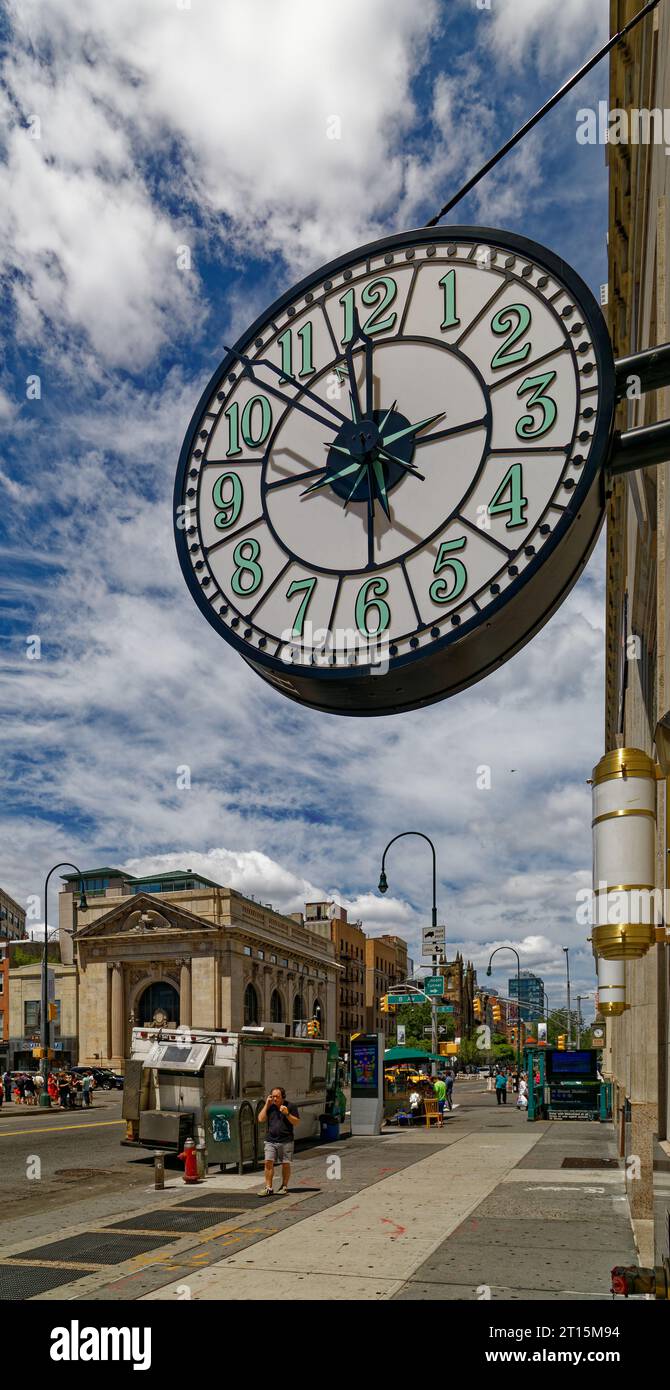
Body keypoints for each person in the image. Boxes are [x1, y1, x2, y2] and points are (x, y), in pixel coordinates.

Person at [258, 1086, 300, 1196]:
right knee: (268, 1162)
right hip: (270, 1140)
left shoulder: (290, 1106)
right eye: (273, 1096)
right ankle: (268, 1187)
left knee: (285, 1164)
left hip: (286, 1140)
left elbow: (296, 1122)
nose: (275, 1099)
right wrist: (267, 1104)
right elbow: (260, 1119)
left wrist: (287, 1114)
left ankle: (284, 1186)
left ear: (283, 1097)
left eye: (277, 1096)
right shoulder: (270, 1107)